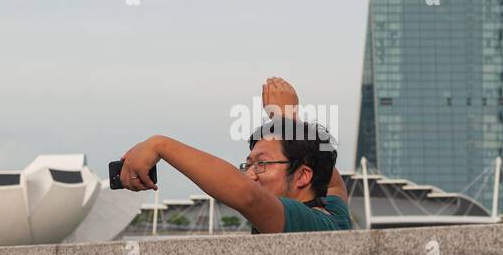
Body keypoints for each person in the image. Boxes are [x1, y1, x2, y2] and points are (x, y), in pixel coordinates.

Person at [117, 77, 353, 234]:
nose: (249, 175)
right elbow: (327, 174)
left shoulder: (308, 224)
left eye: (261, 164)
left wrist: (161, 145)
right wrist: (287, 120)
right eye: (248, 165)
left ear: (303, 176)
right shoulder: (335, 213)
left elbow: (248, 197)